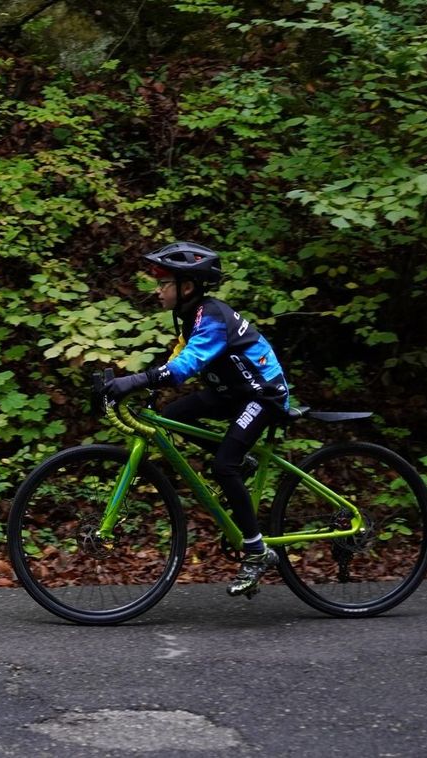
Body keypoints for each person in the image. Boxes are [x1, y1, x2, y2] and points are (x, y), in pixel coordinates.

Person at [102, 241, 291, 597]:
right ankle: (242, 461)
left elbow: (188, 366)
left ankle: (256, 550)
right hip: (230, 392)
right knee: (170, 415)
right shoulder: (190, 316)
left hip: (261, 395)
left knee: (223, 467)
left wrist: (136, 380)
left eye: (164, 282)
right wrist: (146, 387)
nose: (158, 290)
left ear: (186, 286)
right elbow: (178, 354)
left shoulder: (212, 316)